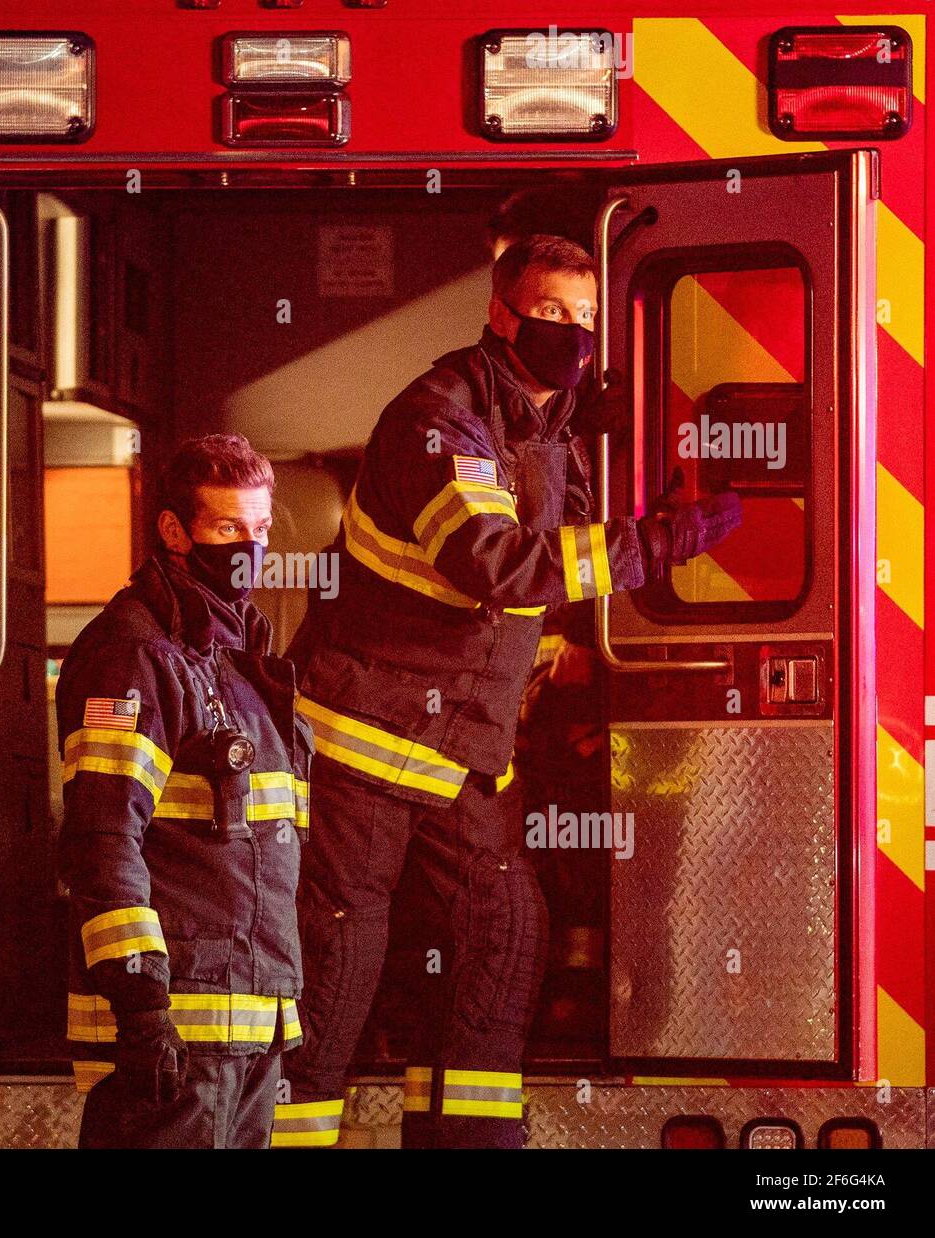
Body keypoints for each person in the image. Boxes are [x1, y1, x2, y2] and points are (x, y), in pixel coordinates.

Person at [272, 233, 741, 1149]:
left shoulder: (540, 426)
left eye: (585, 317)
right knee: (337, 960)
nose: (570, 332)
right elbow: (498, 564)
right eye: (552, 312)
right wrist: (661, 543)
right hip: (363, 746)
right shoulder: (437, 422)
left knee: (500, 931)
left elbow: (557, 566)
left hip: (460, 753)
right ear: (501, 314)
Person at [57, 433, 312, 1149]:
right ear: (174, 529)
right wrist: (141, 1005)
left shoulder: (235, 658)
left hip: (252, 1016)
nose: (249, 547)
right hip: (176, 1025)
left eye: (259, 529)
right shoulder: (134, 655)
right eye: (228, 528)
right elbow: (103, 839)